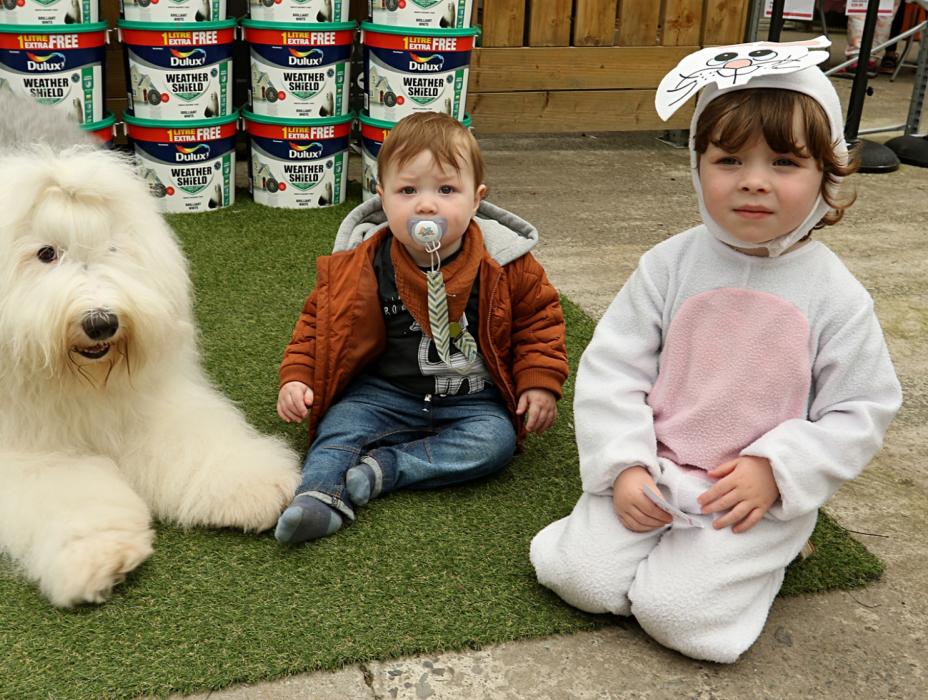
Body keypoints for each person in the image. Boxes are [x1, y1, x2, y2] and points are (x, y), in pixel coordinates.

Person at [529, 57, 902, 662]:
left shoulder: (835, 295)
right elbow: (613, 370)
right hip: (654, 471)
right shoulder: (669, 265)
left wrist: (777, 470)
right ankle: (627, 542)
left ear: (826, 172)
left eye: (784, 161)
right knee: (578, 580)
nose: (754, 181)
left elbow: (863, 408)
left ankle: (771, 555)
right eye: (729, 160)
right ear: (696, 168)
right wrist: (625, 464)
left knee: (680, 619)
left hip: (745, 495)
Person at [274, 112, 569, 545]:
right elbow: (317, 325)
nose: (426, 205)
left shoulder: (507, 262)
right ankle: (318, 498)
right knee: (341, 426)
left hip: (472, 398)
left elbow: (539, 323)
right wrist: (297, 376)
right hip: (384, 392)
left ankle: (386, 470)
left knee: (494, 443)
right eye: (408, 190)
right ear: (382, 198)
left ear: (476, 199)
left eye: (446, 190)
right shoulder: (360, 264)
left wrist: (539, 382)